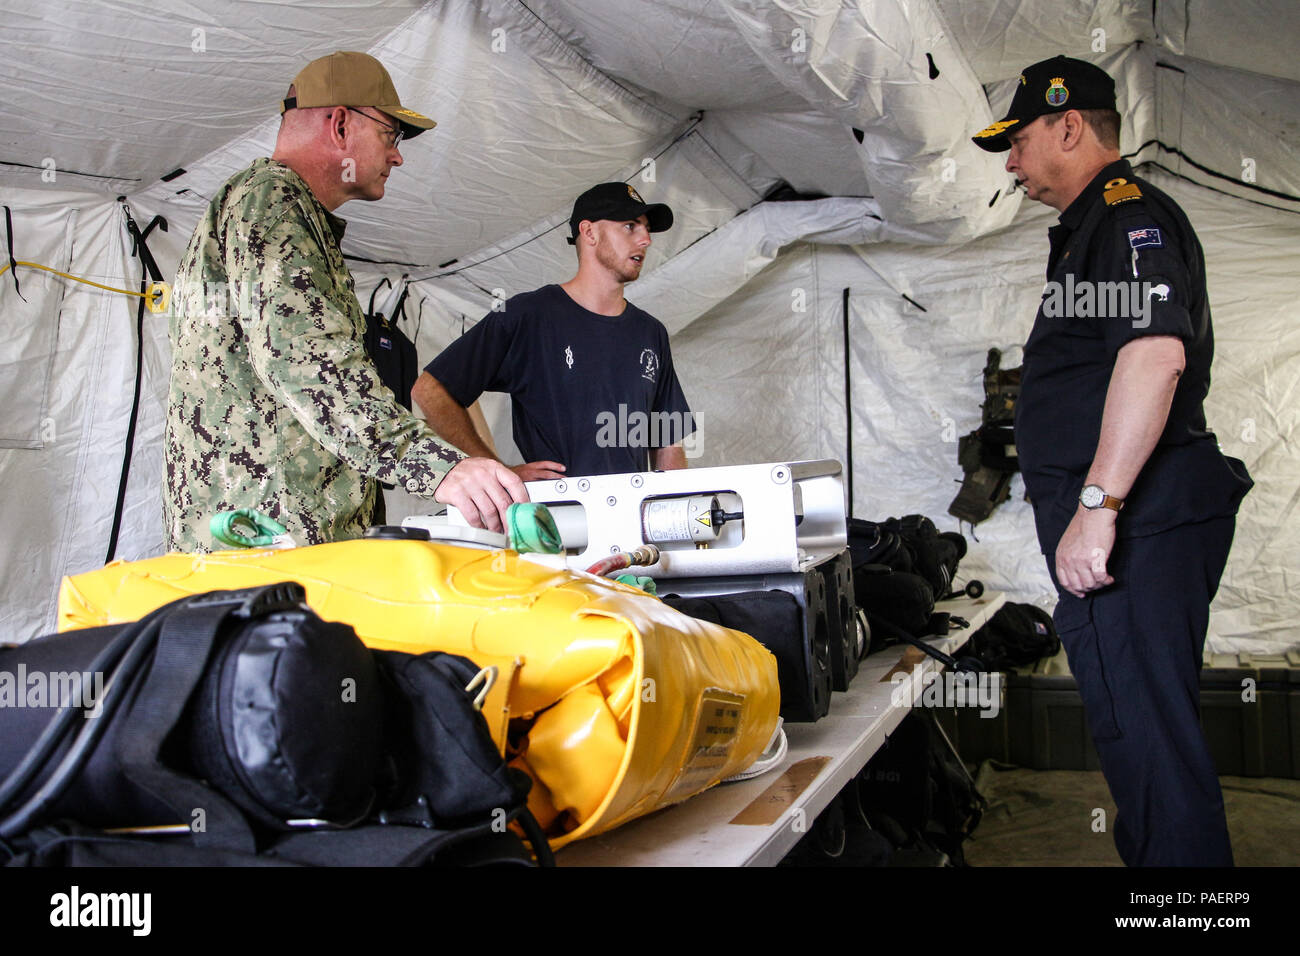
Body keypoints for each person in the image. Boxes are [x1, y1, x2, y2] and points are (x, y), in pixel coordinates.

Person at [973, 56, 1253, 866]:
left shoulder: (1128, 218)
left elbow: (1155, 355)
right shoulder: (1090, 231)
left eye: (1019, 141)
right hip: (1133, 522)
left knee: (1151, 745)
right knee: (1140, 741)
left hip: (1138, 525)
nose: (1012, 163)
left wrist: (1097, 508)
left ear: (1069, 125)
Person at [163, 51, 526, 551]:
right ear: (339, 124)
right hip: (268, 546)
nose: (397, 156)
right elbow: (305, 358)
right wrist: (439, 468)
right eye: (390, 135)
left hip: (269, 538)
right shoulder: (272, 201)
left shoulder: (268, 208)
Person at [412, 182, 694, 490]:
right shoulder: (528, 316)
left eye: (647, 229)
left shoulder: (650, 332)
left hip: (630, 521)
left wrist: (671, 515)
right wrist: (495, 471)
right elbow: (431, 391)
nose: (646, 240)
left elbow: (668, 442)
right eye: (630, 226)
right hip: (555, 521)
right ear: (589, 233)